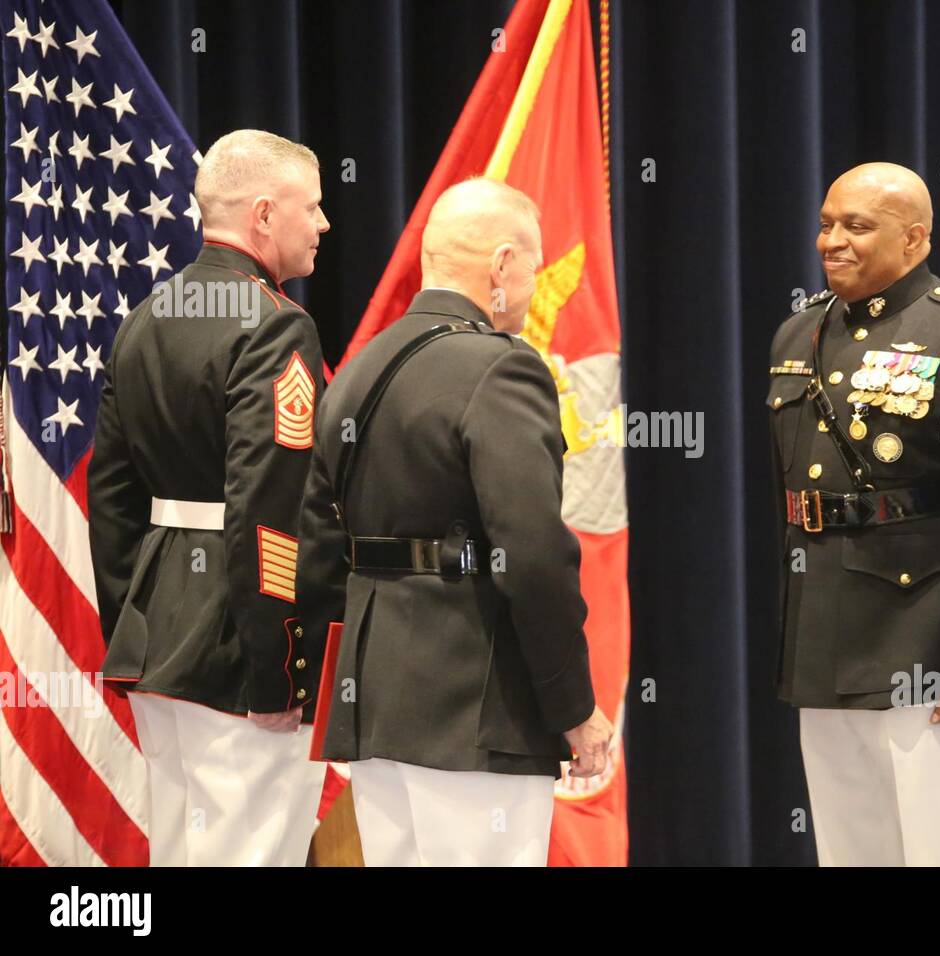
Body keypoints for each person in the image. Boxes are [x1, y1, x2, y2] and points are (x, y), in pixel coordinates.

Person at [295, 178, 612, 867]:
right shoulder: (501, 368)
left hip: (376, 701)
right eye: (533, 264)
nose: (533, 286)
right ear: (501, 265)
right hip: (477, 702)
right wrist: (573, 706)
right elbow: (531, 558)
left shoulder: (358, 367)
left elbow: (318, 542)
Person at [767, 162, 940, 865]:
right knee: (848, 853)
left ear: (915, 239)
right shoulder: (797, 336)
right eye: (827, 224)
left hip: (931, 644)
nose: (833, 240)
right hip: (824, 638)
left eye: (857, 227)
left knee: (937, 853)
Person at [88, 129, 332, 865]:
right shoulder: (274, 325)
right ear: (263, 214)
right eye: (311, 207)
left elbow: (112, 501)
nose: (323, 225)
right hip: (237, 642)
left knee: (182, 847)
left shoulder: (146, 318)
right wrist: (280, 664)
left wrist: (133, 623)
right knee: (253, 851)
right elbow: (270, 510)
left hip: (160, 635)